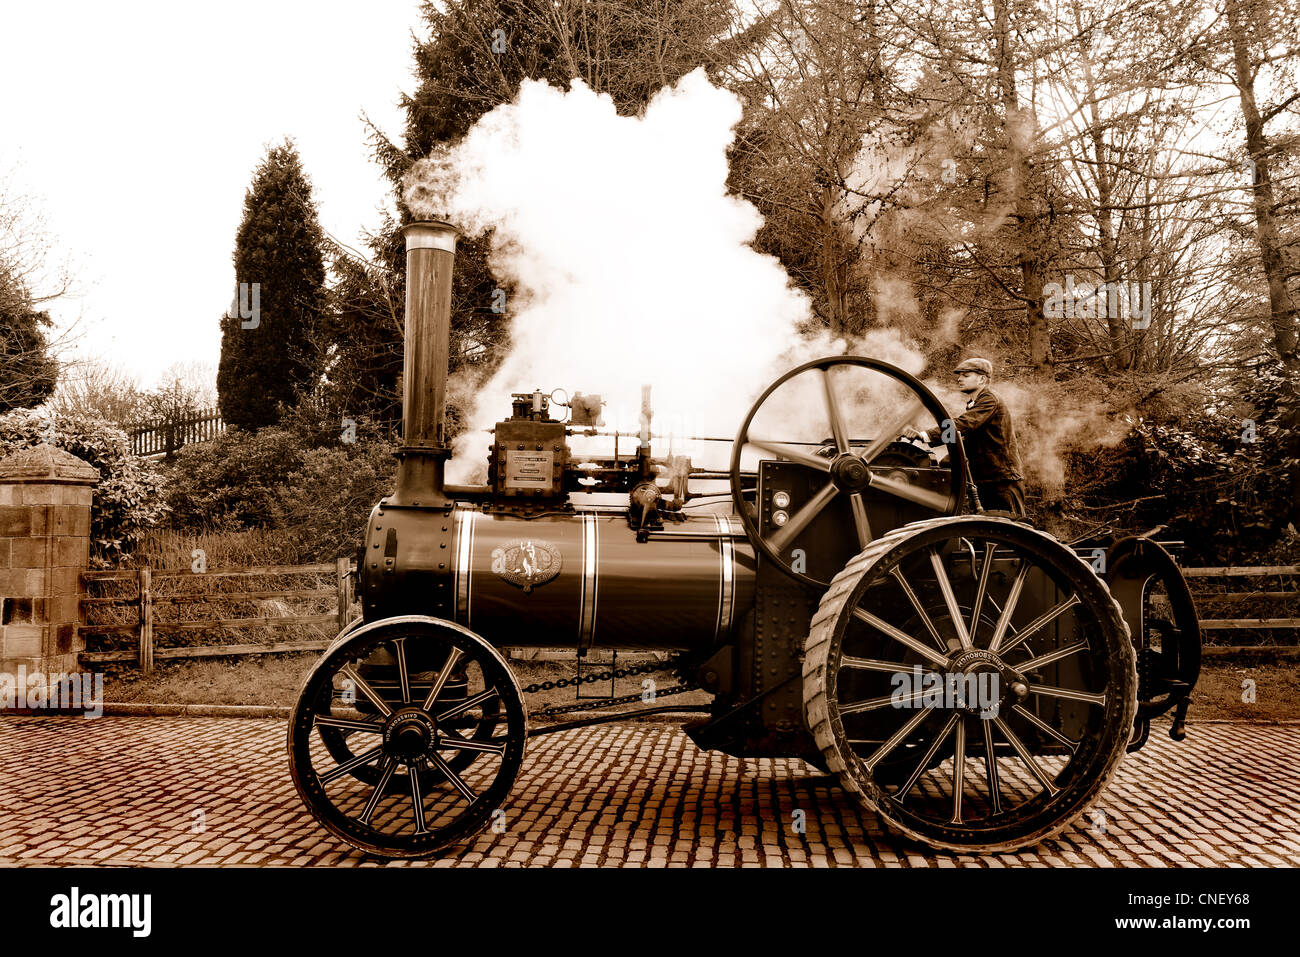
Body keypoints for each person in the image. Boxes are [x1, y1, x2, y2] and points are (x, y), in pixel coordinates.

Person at [903, 358, 1027, 517]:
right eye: (960, 375)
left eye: (966, 375)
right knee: (988, 533)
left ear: (982, 379)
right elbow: (966, 442)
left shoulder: (989, 399)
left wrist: (925, 435)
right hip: (987, 481)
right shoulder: (975, 404)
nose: (959, 379)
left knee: (1011, 533)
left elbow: (963, 424)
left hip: (1002, 482)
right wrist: (941, 466)